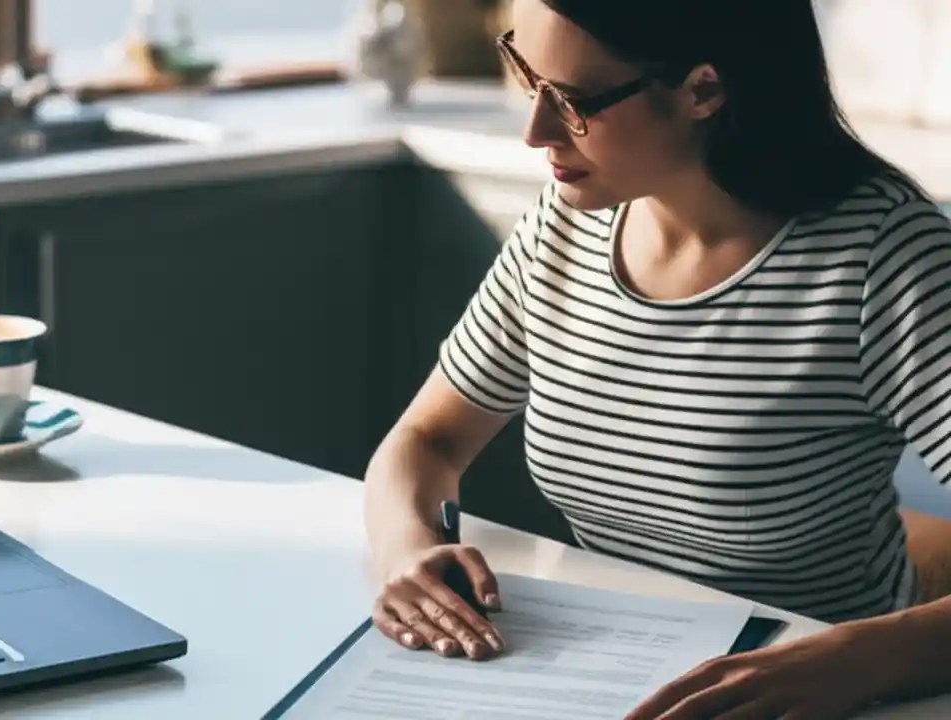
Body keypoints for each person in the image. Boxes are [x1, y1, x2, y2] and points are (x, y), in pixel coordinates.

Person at [362, 0, 951, 717]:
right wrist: (406, 549)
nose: (534, 131)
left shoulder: (882, 260)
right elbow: (427, 439)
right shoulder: (568, 225)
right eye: (526, 74)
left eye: (574, 103)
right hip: (609, 675)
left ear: (704, 89)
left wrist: (855, 660)